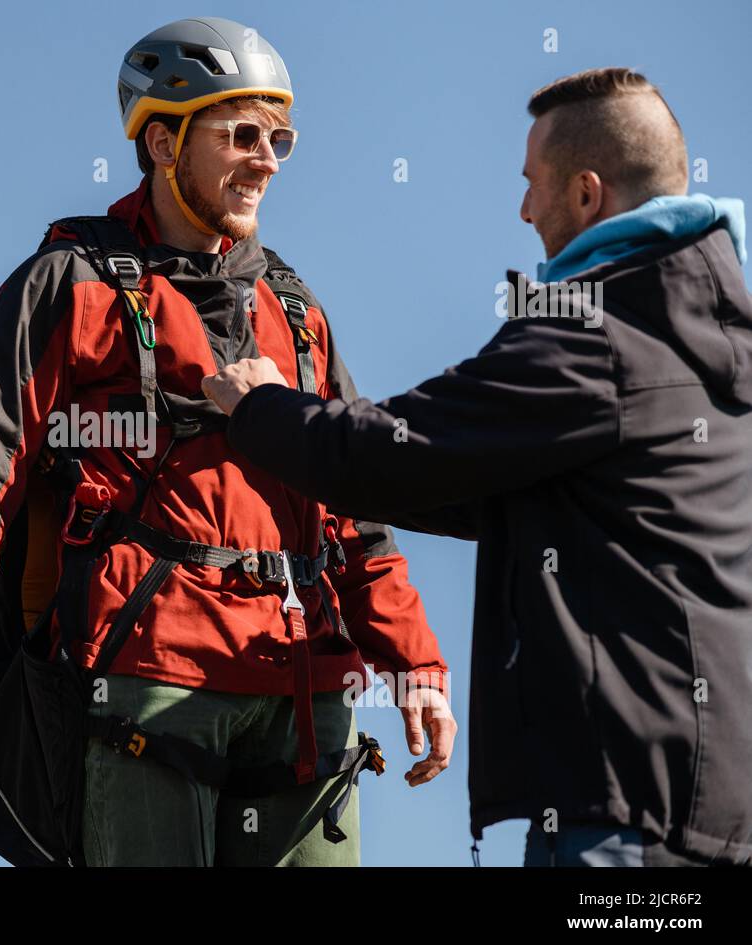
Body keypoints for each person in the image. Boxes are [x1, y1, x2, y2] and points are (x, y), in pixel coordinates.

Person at [0, 16, 456, 867]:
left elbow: (354, 506)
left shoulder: (295, 308)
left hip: (305, 690)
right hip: (142, 682)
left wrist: (414, 660)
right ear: (163, 140)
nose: (268, 159)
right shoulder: (71, 280)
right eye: (242, 134)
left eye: (280, 137)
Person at [203, 67, 752, 866]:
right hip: (715, 804)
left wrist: (261, 407)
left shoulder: (594, 335)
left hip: (623, 818)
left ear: (588, 195)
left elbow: (401, 452)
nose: (524, 209)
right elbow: (484, 488)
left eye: (534, 185)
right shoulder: (713, 338)